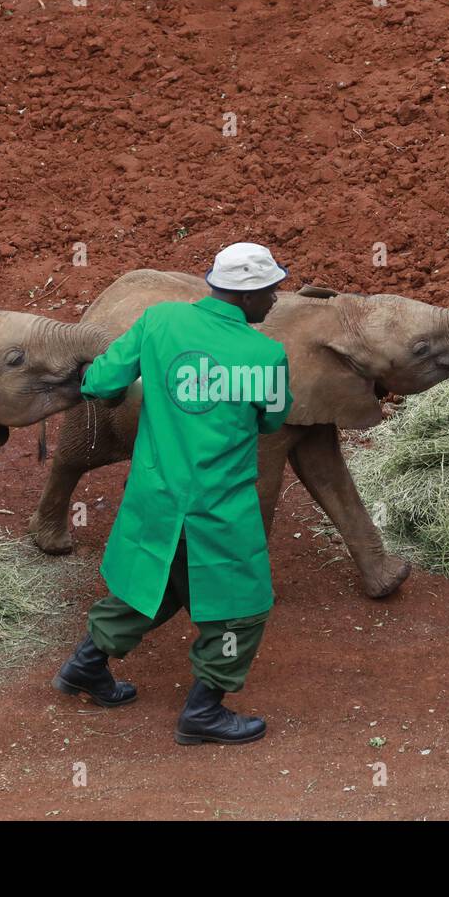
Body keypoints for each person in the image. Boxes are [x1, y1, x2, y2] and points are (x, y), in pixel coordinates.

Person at [52, 242, 293, 744]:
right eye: (271, 291)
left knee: (153, 584)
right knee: (241, 611)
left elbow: (100, 382)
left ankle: (85, 666)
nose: (274, 299)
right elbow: (272, 420)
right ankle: (204, 710)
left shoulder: (158, 320)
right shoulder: (266, 354)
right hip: (218, 509)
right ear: (248, 297)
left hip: (156, 497)